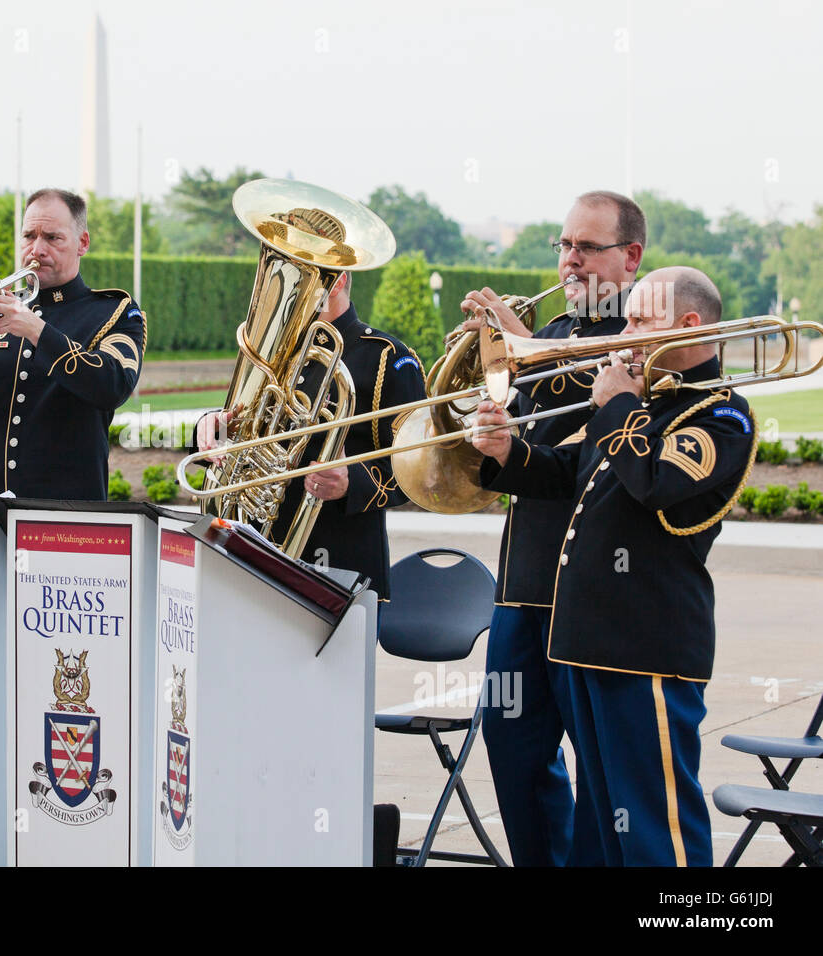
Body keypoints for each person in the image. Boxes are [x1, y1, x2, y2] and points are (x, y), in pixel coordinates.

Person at [472, 266, 754, 866]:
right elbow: (567, 476)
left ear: (689, 325)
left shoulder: (721, 415)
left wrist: (618, 405)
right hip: (586, 642)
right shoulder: (640, 406)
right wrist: (505, 452)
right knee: (601, 833)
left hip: (645, 646)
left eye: (639, 320)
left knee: (655, 828)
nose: (622, 333)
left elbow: (655, 483)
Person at [459, 191, 645, 866]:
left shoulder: (643, 336)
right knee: (511, 745)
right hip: (523, 580)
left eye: (586, 247)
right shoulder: (552, 336)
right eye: (563, 245)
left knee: (601, 767)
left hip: (596, 589)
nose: (569, 260)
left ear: (630, 257)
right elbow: (533, 449)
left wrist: (524, 347)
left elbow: (590, 421)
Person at [195, 271, 426, 602]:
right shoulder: (274, 353)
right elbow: (240, 425)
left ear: (338, 280)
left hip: (339, 566)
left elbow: (415, 469)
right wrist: (210, 427)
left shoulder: (388, 358)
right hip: (251, 559)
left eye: (302, 274)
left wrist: (352, 482)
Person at [0, 188, 144, 500]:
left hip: (69, 519)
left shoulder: (114, 311)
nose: (37, 249)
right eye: (29, 236)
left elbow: (113, 386)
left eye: (52, 237)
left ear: (83, 243)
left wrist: (38, 331)